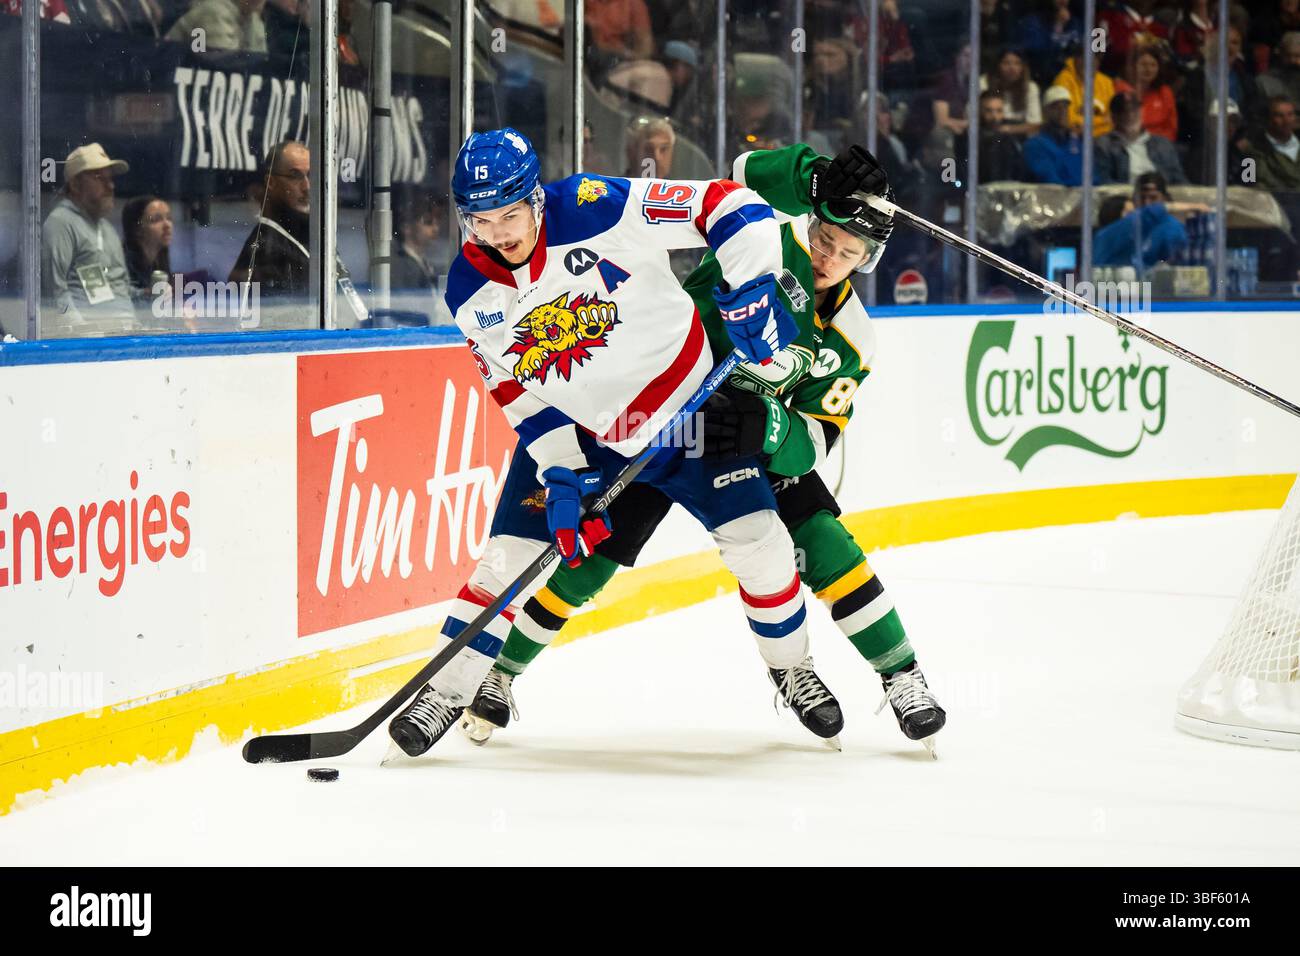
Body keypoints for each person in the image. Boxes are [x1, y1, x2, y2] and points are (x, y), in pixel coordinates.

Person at [385, 127, 870, 756]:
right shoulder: (467, 293)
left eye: (511, 213)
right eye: (482, 221)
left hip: (694, 411)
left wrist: (751, 290)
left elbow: (730, 206)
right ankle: (446, 693)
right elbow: (519, 393)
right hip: (589, 435)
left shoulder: (597, 205)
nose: (500, 233)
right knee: (506, 560)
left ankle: (791, 668)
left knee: (762, 545)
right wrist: (559, 471)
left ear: (535, 198)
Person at [41, 143, 135, 327]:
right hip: (92, 341)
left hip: (125, 334)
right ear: (75, 184)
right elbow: (55, 293)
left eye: (111, 178)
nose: (110, 185)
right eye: (99, 177)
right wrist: (84, 335)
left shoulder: (106, 228)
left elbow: (119, 287)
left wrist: (146, 296)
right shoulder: (61, 222)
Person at [229, 140, 310, 301]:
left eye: (310, 175)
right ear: (271, 182)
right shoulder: (266, 247)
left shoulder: (311, 234)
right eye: (295, 176)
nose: (307, 187)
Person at [1094, 172, 1209, 269]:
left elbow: (1175, 265)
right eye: (1142, 198)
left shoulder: (1171, 227)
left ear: (1164, 198)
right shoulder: (1122, 228)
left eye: (1153, 197)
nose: (1147, 203)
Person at [1096, 90, 1188, 184]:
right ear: (1113, 117)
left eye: (1134, 110)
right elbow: (1105, 184)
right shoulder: (1103, 145)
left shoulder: (1162, 144)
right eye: (1123, 112)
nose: (1130, 115)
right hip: (1126, 196)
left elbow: (1179, 180)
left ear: (1142, 111)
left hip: (1163, 196)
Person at [1023, 85, 1101, 185]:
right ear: (1045, 112)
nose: (1062, 111)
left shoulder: (1077, 143)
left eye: (1065, 106)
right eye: (1056, 107)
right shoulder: (1034, 145)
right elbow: (1050, 181)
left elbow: (1094, 178)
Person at [1052, 46, 1130, 136]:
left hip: (1105, 138)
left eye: (1093, 59)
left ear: (1098, 63)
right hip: (1078, 137)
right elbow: (1068, 120)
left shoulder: (1106, 82)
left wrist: (1086, 121)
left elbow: (1112, 119)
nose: (1088, 63)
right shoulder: (1063, 80)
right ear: (1076, 59)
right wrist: (1101, 121)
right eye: (1084, 58)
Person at [121, 194, 174, 305]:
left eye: (169, 218)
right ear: (136, 229)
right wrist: (147, 294)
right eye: (156, 220)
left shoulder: (159, 259)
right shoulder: (122, 262)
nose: (167, 225)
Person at [980, 48, 1042, 138]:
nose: (1012, 68)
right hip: (987, 134)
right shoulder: (983, 83)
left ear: (1023, 67)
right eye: (1006, 63)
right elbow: (973, 117)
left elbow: (1035, 124)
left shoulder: (1031, 88)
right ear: (997, 65)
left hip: (1019, 139)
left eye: (1017, 63)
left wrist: (1008, 129)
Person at [165, 0, 267, 52]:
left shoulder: (254, 20)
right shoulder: (214, 10)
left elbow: (261, 68)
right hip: (166, 84)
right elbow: (224, 65)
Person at [1124, 43, 1178, 141]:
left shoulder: (1165, 92)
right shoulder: (1123, 90)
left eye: (1153, 65)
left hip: (1159, 145)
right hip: (1130, 143)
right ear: (1134, 66)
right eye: (1143, 64)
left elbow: (1171, 128)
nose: (1148, 69)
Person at [1245, 95, 1300, 190]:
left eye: (1290, 114)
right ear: (1269, 119)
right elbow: (1248, 185)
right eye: (1279, 115)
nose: (1286, 120)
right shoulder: (1251, 151)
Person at [979, 92, 1028, 182]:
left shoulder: (1013, 129)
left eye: (999, 111)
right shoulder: (972, 134)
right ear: (980, 111)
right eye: (989, 111)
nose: (995, 116)